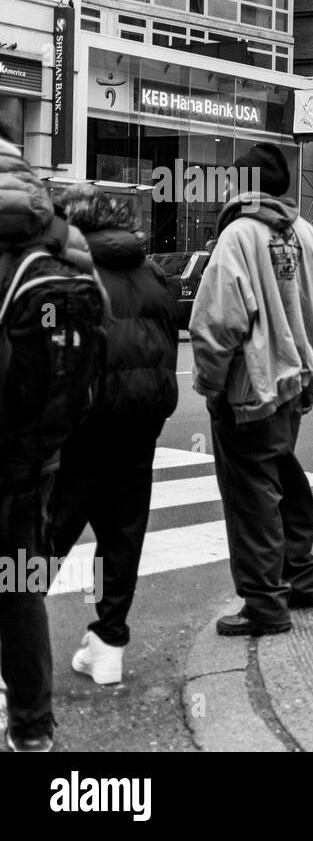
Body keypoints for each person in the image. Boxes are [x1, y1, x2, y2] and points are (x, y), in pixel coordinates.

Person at [189, 143, 313, 637]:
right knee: (283, 481)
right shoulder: (309, 235)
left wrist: (210, 386)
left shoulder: (238, 236)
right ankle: (302, 579)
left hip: (248, 390)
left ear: (243, 182)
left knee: (251, 496)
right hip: (293, 385)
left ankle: (265, 605)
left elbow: (215, 323)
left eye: (230, 178)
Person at [46, 187, 179, 685]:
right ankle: (108, 644)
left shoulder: (66, 274)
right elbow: (169, 349)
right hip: (138, 425)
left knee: (46, 537)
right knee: (122, 537)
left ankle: (12, 640)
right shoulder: (153, 277)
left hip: (78, 427)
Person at [0, 138, 108, 752]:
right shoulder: (60, 234)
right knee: (19, 585)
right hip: (39, 450)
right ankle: (34, 730)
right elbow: (96, 339)